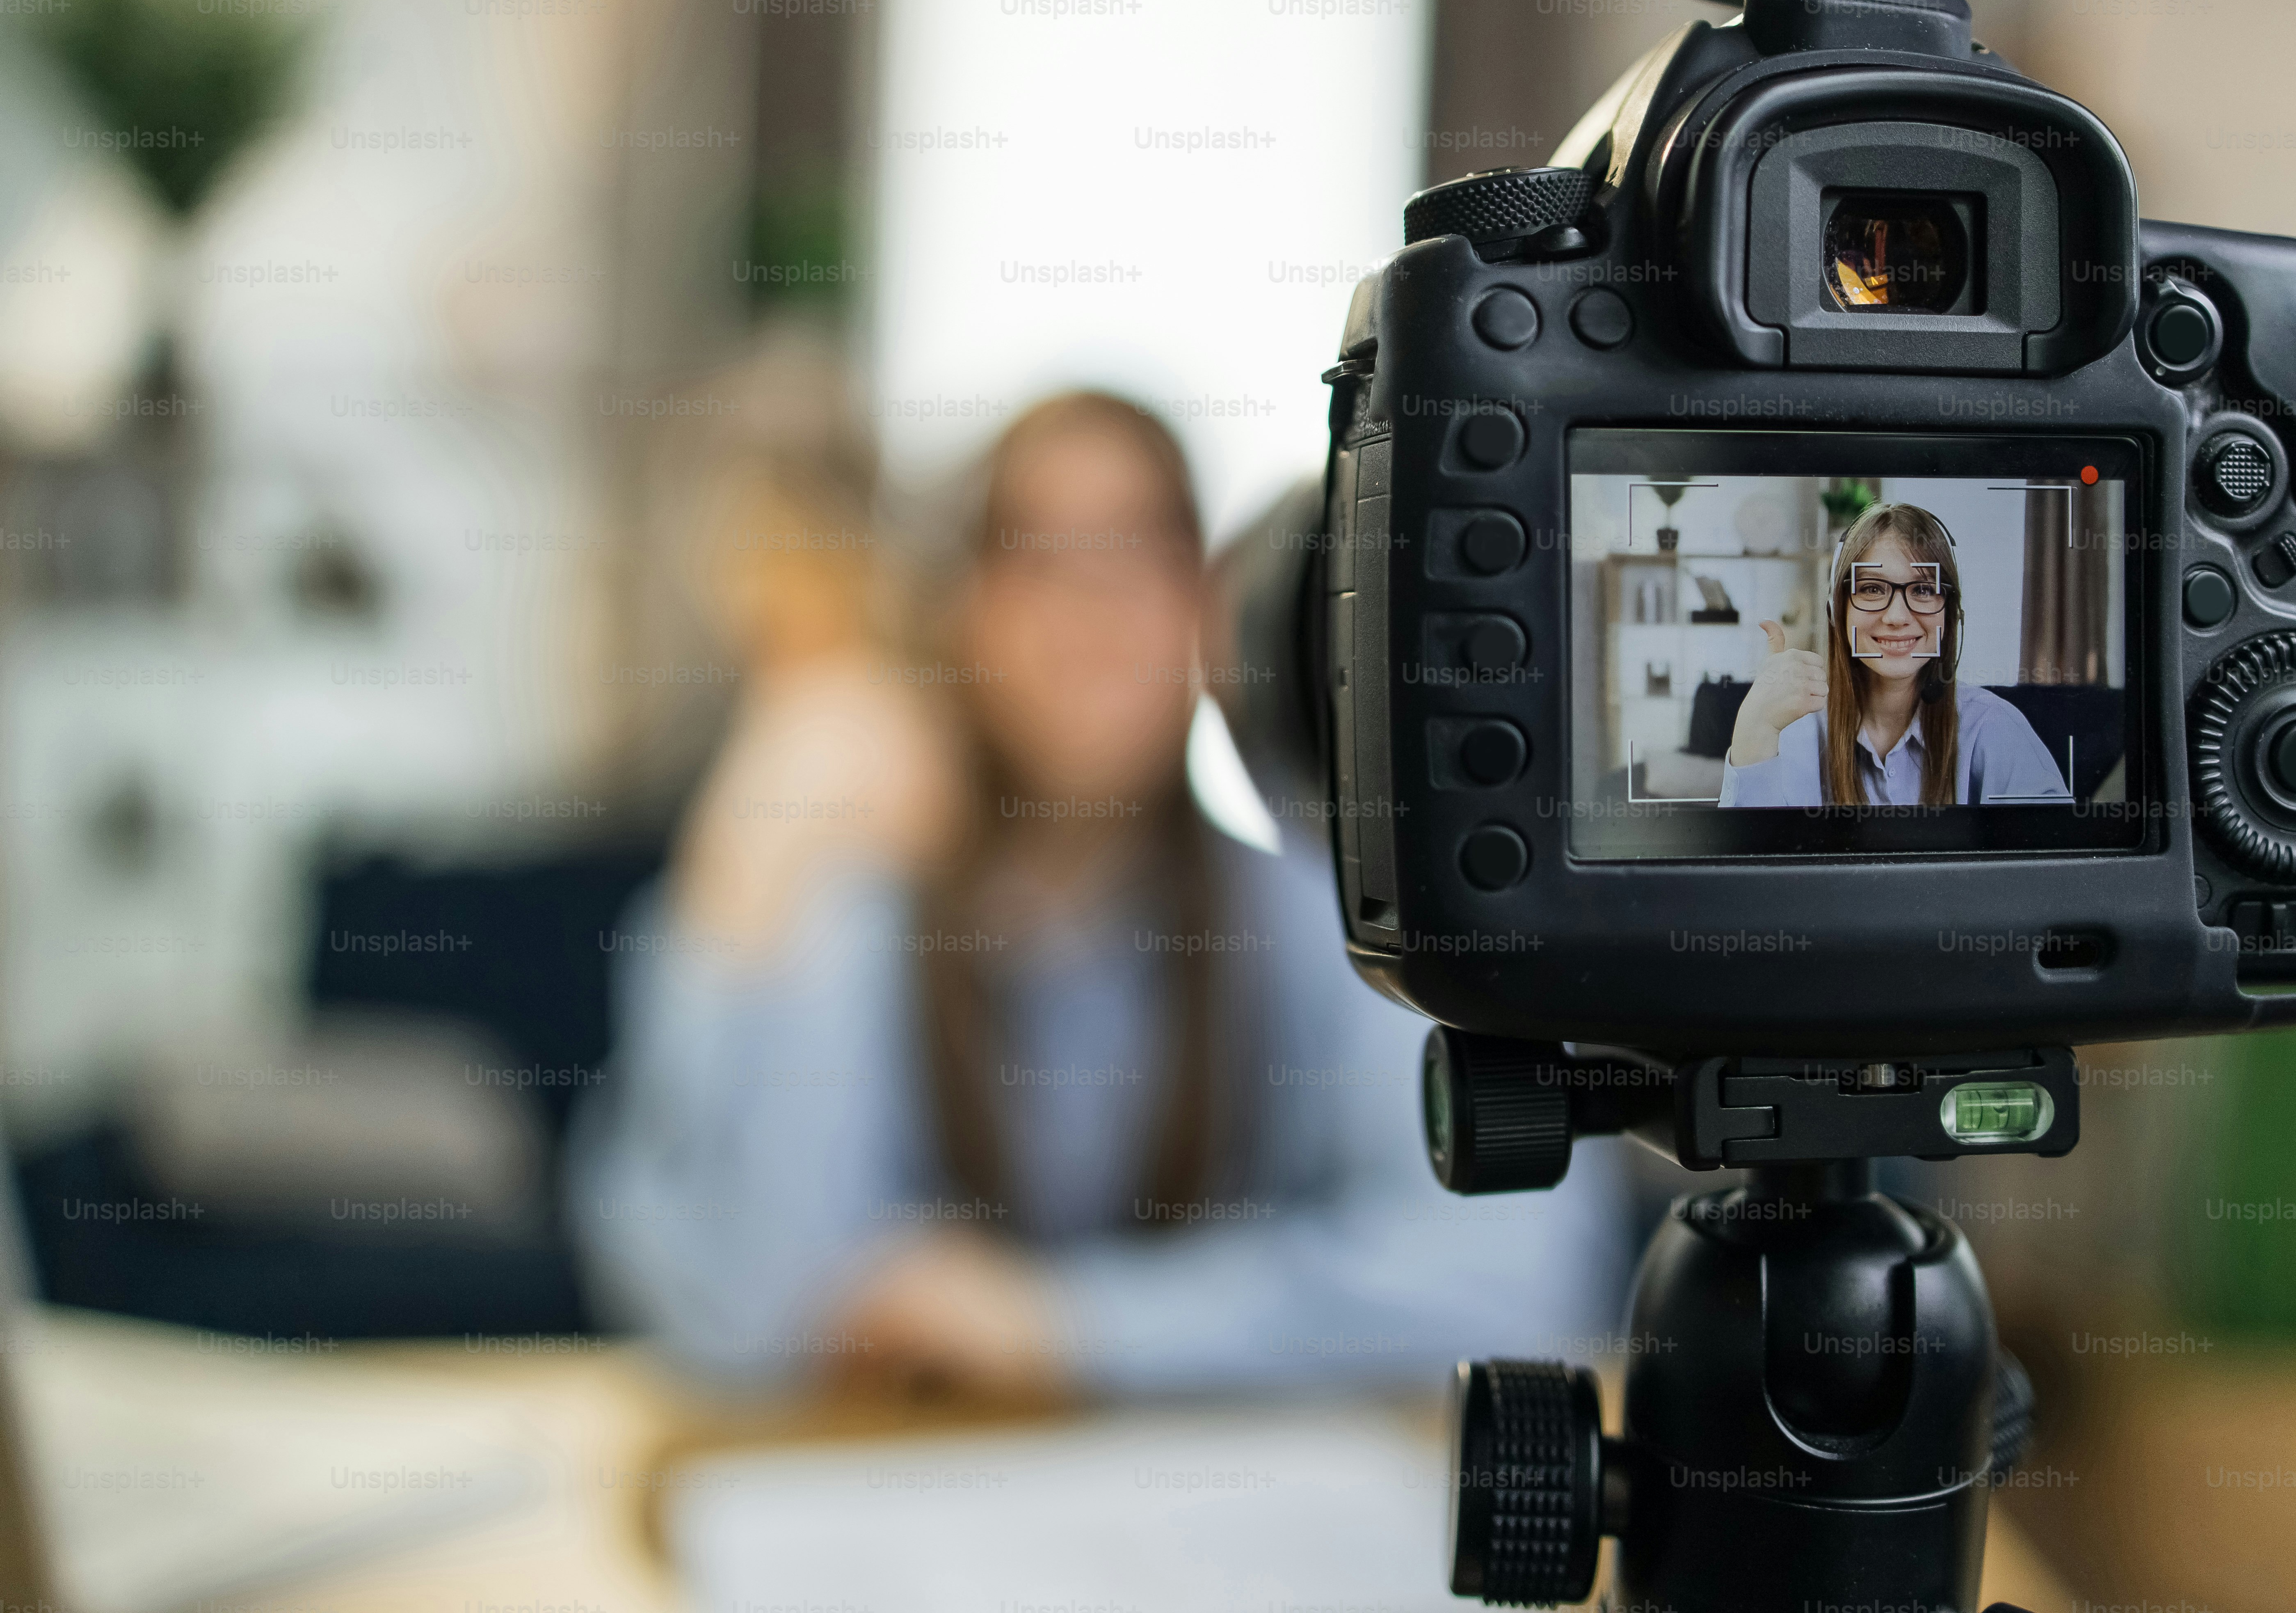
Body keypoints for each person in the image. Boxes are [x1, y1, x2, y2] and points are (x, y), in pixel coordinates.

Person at [568, 391, 1626, 1398]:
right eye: (1038, 552)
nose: (1095, 603)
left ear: (1208, 610)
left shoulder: (1318, 914)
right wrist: (744, 884)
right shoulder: (865, 918)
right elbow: (756, 1315)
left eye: (1143, 547)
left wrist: (1065, 1326)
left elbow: (1520, 1272)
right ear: (960, 614)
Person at [1721, 500, 2068, 809]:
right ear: (1837, 612)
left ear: (1950, 613)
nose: (1897, 617)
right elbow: (1751, 859)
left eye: (1923, 589)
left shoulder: (1994, 727)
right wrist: (1755, 728)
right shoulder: (1793, 735)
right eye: (1872, 588)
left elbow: (2058, 860)